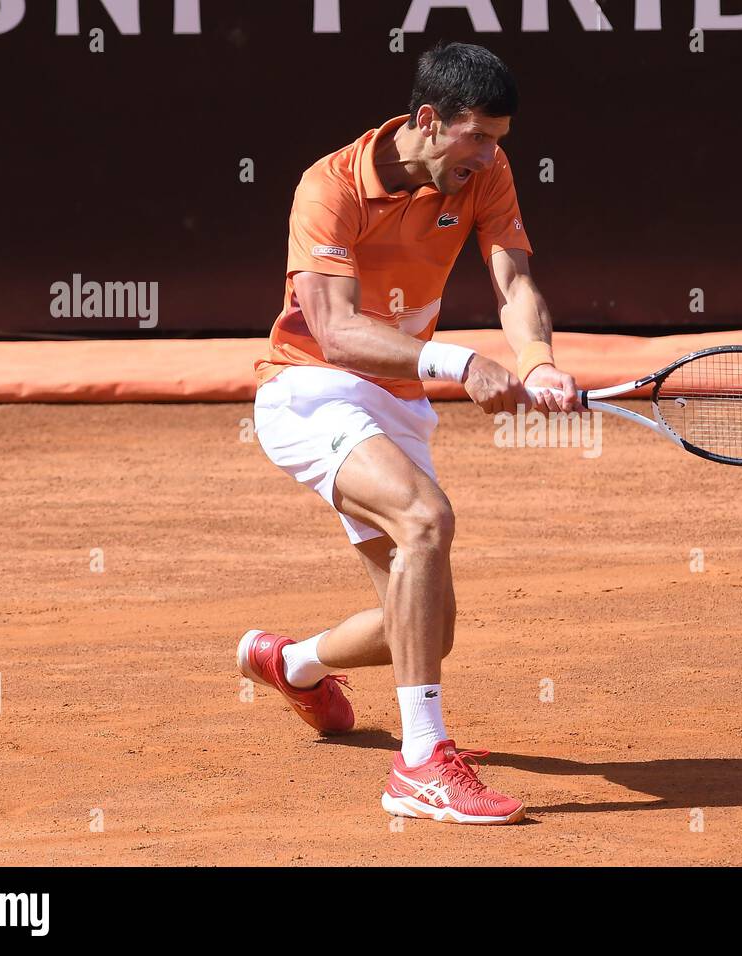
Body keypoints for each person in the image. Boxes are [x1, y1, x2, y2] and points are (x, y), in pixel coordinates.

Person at [237, 41, 578, 825]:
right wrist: (460, 362)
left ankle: (290, 665)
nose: (491, 156)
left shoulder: (485, 174)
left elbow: (515, 279)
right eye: (479, 138)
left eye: (500, 139)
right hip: (310, 387)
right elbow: (334, 328)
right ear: (429, 121)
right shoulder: (328, 187)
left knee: (422, 625)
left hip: (395, 401)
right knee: (427, 518)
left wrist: (538, 359)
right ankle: (421, 763)